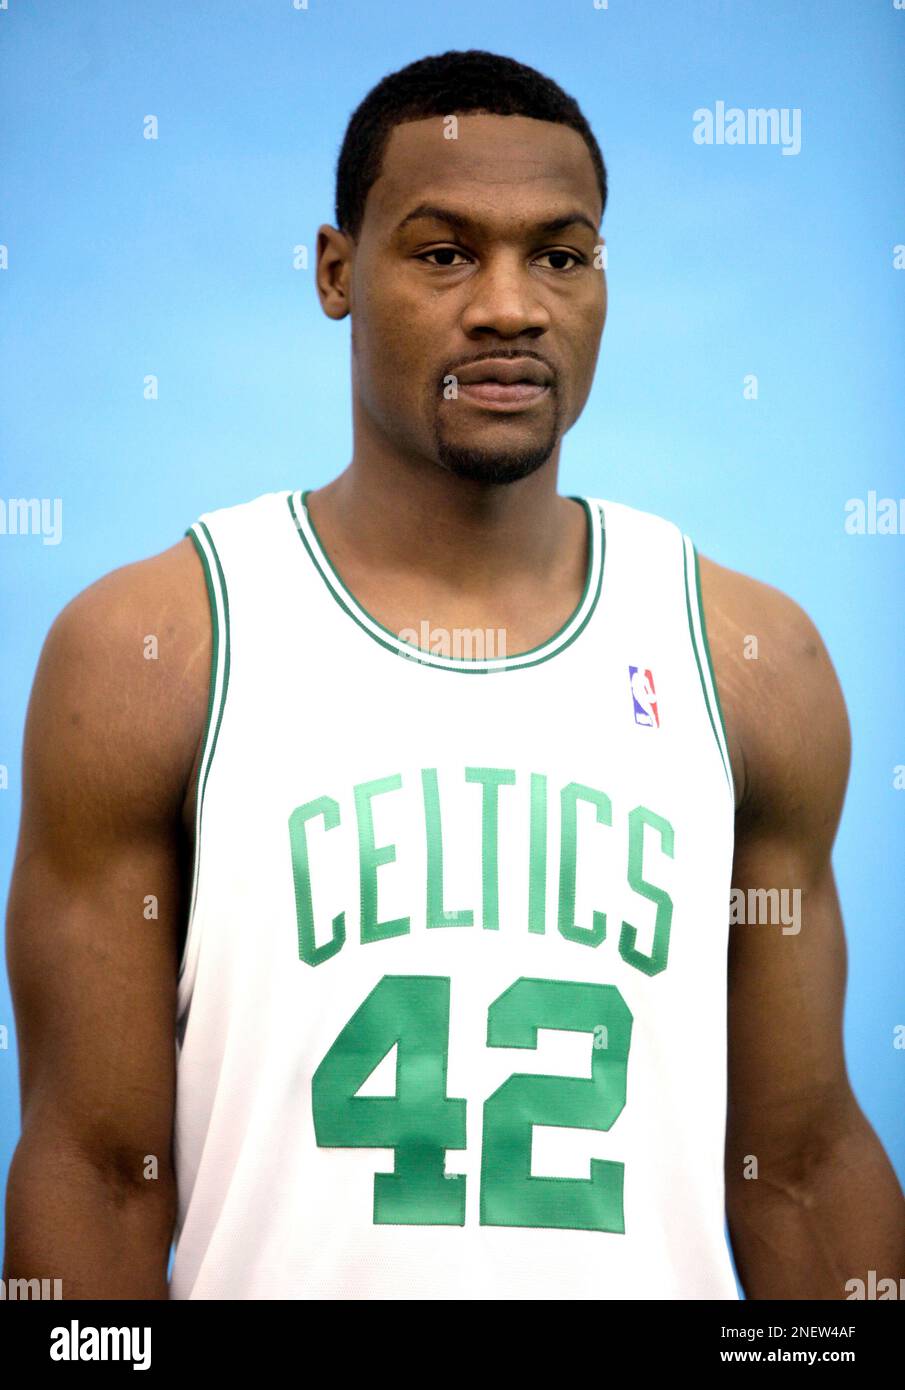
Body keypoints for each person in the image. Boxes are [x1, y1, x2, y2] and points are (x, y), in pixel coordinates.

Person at [4, 49, 903, 1301]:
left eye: (559, 254)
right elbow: (99, 1175)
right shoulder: (156, 650)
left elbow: (799, 1168)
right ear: (336, 273)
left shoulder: (749, 658)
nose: (508, 307)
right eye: (442, 253)